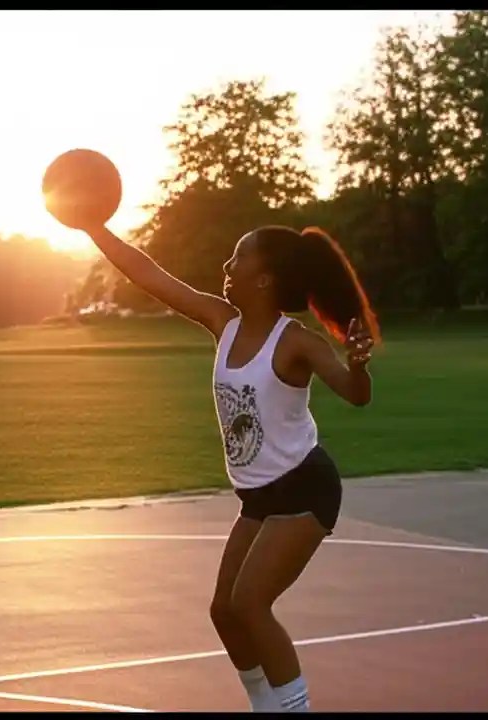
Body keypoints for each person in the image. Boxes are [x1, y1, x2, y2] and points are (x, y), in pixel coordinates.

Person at [77, 222, 378, 712]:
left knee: (251, 605)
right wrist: (94, 227)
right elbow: (149, 274)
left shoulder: (295, 341)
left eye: (238, 257)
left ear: (263, 279)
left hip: (304, 487)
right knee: (224, 611)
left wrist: (359, 366)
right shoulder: (223, 321)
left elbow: (354, 395)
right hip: (259, 496)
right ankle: (266, 704)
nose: (226, 266)